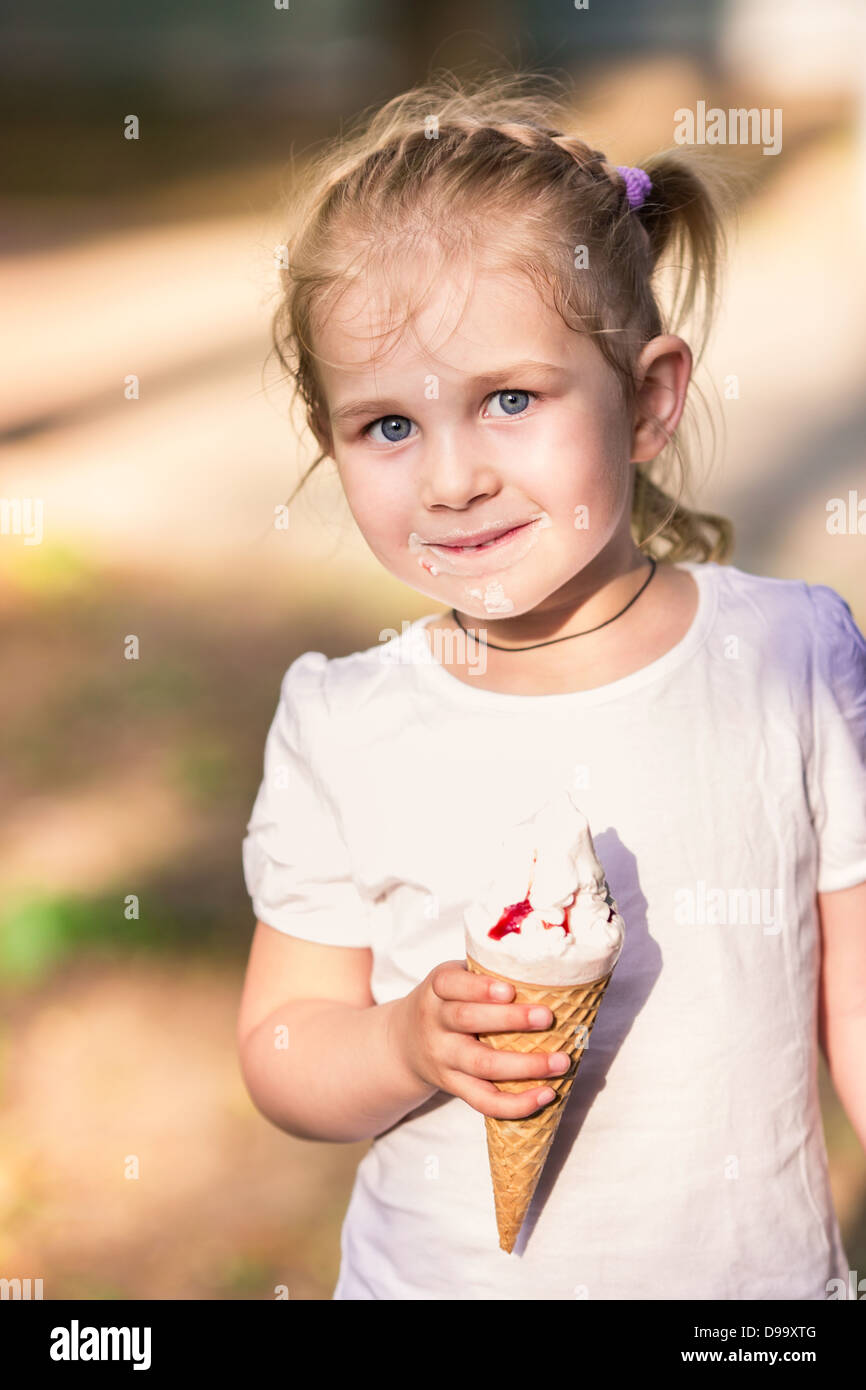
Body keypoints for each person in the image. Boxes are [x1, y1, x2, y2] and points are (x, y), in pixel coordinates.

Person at [236, 71, 866, 1299]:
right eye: (386, 427)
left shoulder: (789, 656)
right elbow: (281, 1048)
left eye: (508, 400)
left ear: (644, 399)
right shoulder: (344, 719)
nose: (451, 478)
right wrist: (401, 1039)